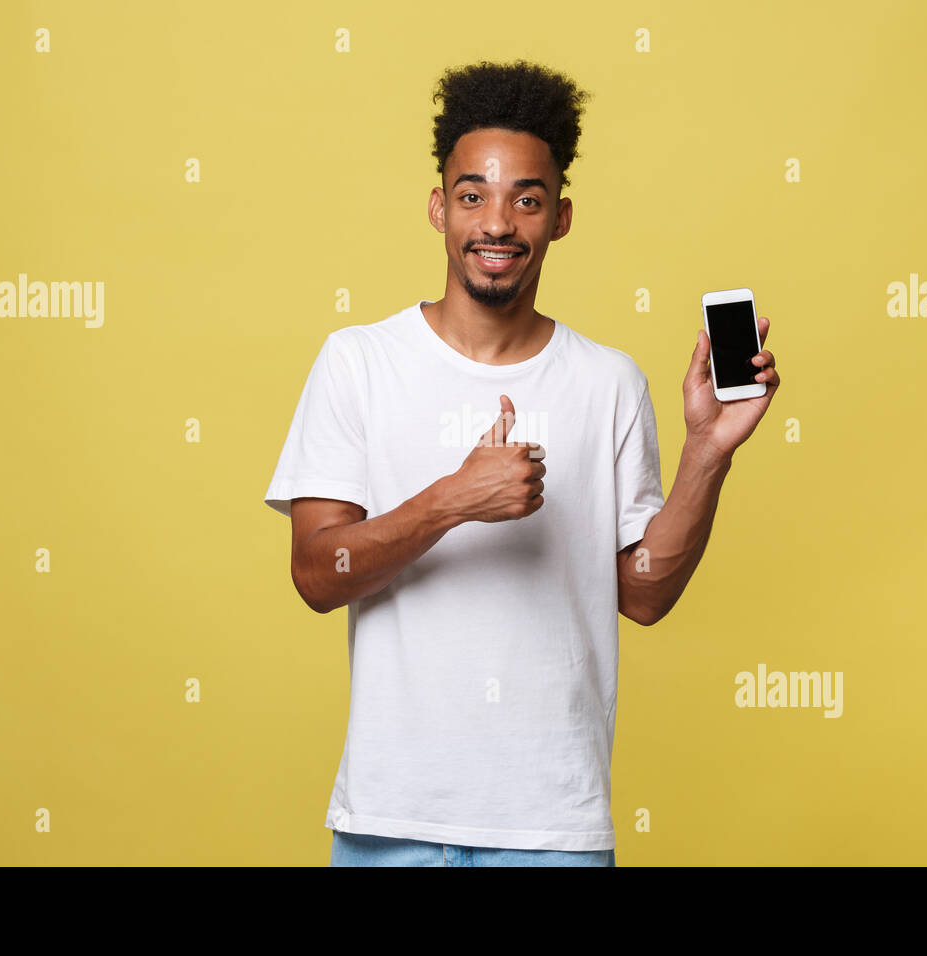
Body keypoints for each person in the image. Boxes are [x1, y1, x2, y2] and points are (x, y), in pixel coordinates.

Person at [263, 59, 780, 867]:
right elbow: (315, 574)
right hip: (391, 824)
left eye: (525, 199)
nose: (497, 223)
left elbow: (643, 593)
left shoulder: (607, 382)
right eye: (473, 195)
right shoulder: (357, 362)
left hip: (551, 833)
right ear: (439, 207)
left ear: (560, 217)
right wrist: (452, 500)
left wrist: (708, 454)